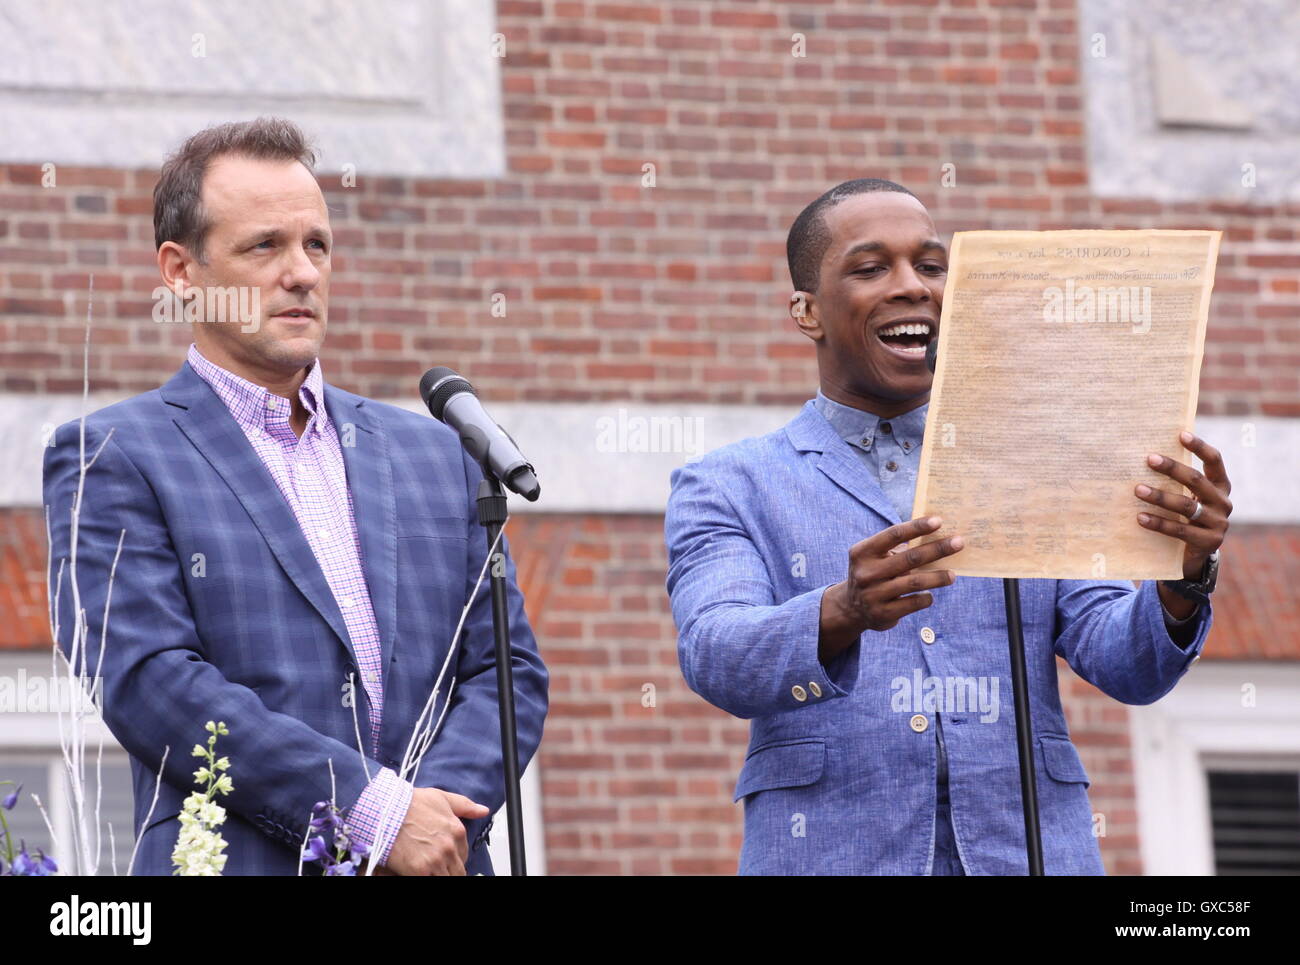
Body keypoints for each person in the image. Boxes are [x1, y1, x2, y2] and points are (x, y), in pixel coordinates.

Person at [664, 178, 1232, 875]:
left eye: (931, 265)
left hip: (1027, 853)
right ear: (806, 311)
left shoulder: (1031, 461)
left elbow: (1128, 664)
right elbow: (717, 653)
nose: (914, 286)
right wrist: (841, 610)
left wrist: (1184, 577)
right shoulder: (728, 484)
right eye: (872, 268)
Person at [43, 117, 548, 876]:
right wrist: (369, 811)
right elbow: (155, 683)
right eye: (264, 246)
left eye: (317, 244)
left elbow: (505, 671)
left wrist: (430, 817)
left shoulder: (436, 454)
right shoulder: (113, 456)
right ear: (181, 272)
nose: (303, 272)